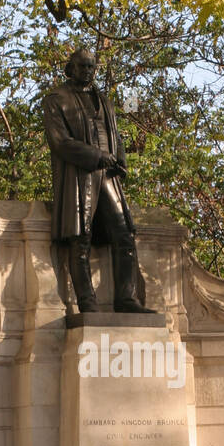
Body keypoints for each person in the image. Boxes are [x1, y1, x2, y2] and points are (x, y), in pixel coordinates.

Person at [43, 47, 156, 315]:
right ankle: (87, 302)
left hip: (108, 174)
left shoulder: (103, 99)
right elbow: (60, 142)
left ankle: (126, 298)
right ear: (70, 68)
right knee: (79, 236)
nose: (88, 71)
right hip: (78, 177)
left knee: (125, 232)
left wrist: (120, 161)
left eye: (92, 66)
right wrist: (96, 156)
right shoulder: (56, 99)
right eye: (83, 66)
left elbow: (114, 134)